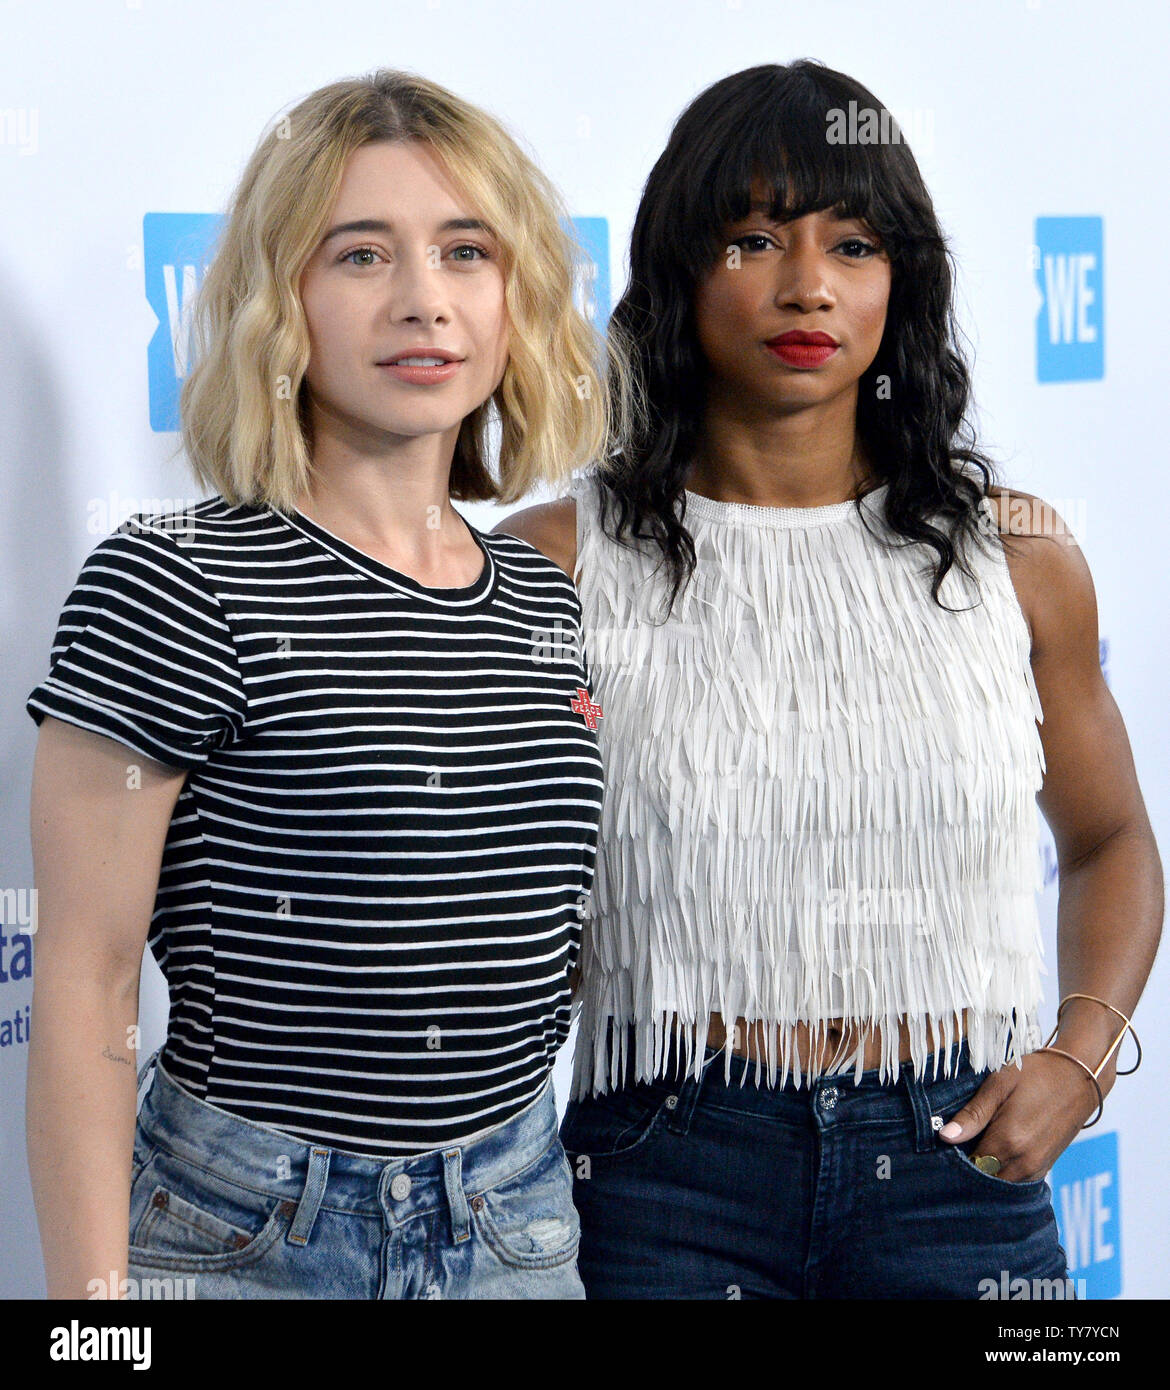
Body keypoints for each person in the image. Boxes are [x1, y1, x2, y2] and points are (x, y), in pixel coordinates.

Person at [496, 60, 1163, 1298]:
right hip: (659, 1170)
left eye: (852, 243)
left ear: (899, 279)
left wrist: (1082, 1057)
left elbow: (1113, 837)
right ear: (680, 271)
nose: (808, 285)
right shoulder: (552, 565)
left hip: (961, 1161)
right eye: (753, 237)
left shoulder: (1017, 555)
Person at [26, 69, 609, 1300]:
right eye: (361, 256)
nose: (424, 301)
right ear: (276, 303)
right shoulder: (172, 582)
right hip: (248, 1233)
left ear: (516, 299)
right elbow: (83, 985)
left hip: (519, 1220)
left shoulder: (546, 595)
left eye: (465, 252)